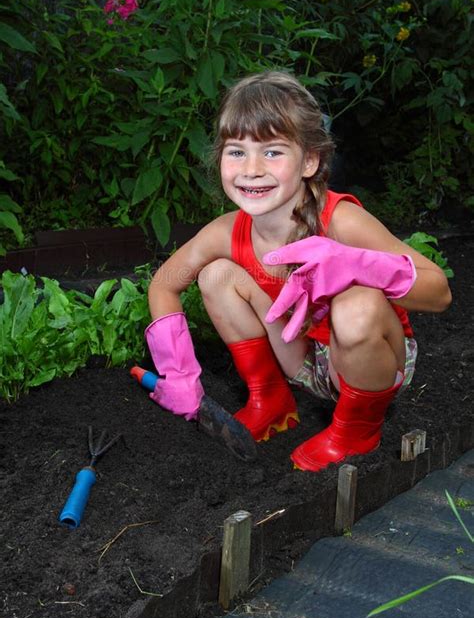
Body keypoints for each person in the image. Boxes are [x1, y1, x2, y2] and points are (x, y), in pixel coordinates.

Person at [146, 71, 452, 472]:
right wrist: (179, 373)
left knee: (356, 304)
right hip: (301, 360)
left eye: (272, 151)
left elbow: (440, 292)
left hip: (368, 365)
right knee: (215, 274)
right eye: (236, 151)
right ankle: (269, 398)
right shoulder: (226, 231)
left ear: (310, 160)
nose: (251, 168)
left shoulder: (341, 221)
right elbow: (164, 284)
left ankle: (357, 427)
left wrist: (358, 264)